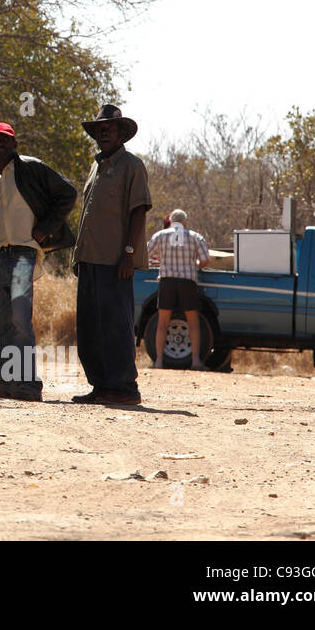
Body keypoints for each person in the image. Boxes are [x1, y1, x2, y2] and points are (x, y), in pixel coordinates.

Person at [0, 122, 77, 402]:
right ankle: (8, 381)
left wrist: (45, 228)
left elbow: (68, 193)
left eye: (4, 140)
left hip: (23, 253)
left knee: (20, 319)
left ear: (14, 143)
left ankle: (29, 384)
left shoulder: (31, 167)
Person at [72, 104, 152, 406]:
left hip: (115, 261)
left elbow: (139, 211)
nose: (103, 133)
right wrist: (78, 257)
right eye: (99, 130)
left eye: (109, 129)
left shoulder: (132, 166)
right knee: (90, 326)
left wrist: (128, 254)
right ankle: (101, 385)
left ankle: (124, 387)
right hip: (90, 259)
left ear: (121, 134)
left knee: (115, 325)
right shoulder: (96, 166)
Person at [147, 209, 211, 370]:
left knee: (162, 323)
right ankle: (196, 361)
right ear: (185, 222)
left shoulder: (160, 235)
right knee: (193, 323)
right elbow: (205, 260)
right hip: (187, 282)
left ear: (170, 221)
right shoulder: (196, 237)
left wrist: (161, 259)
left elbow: (147, 253)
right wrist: (194, 263)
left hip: (167, 281)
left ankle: (159, 361)